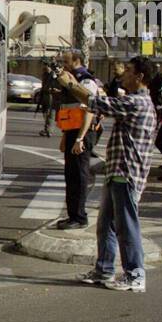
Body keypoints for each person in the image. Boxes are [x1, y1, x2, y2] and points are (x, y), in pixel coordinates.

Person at [56, 56, 159, 293]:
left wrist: (71, 84)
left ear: (140, 77)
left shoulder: (137, 103)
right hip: (117, 172)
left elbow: (98, 104)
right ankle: (104, 269)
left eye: (129, 71)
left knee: (126, 227)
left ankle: (135, 274)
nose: (123, 75)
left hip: (127, 174)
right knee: (106, 226)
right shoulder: (134, 101)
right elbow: (100, 102)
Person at [55, 50, 100, 229]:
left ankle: (80, 217)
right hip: (72, 133)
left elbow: (90, 110)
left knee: (79, 176)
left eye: (66, 61)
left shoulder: (85, 81)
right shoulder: (71, 80)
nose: (64, 64)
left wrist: (80, 138)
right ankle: (72, 215)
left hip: (83, 133)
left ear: (77, 60)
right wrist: (66, 137)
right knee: (71, 176)